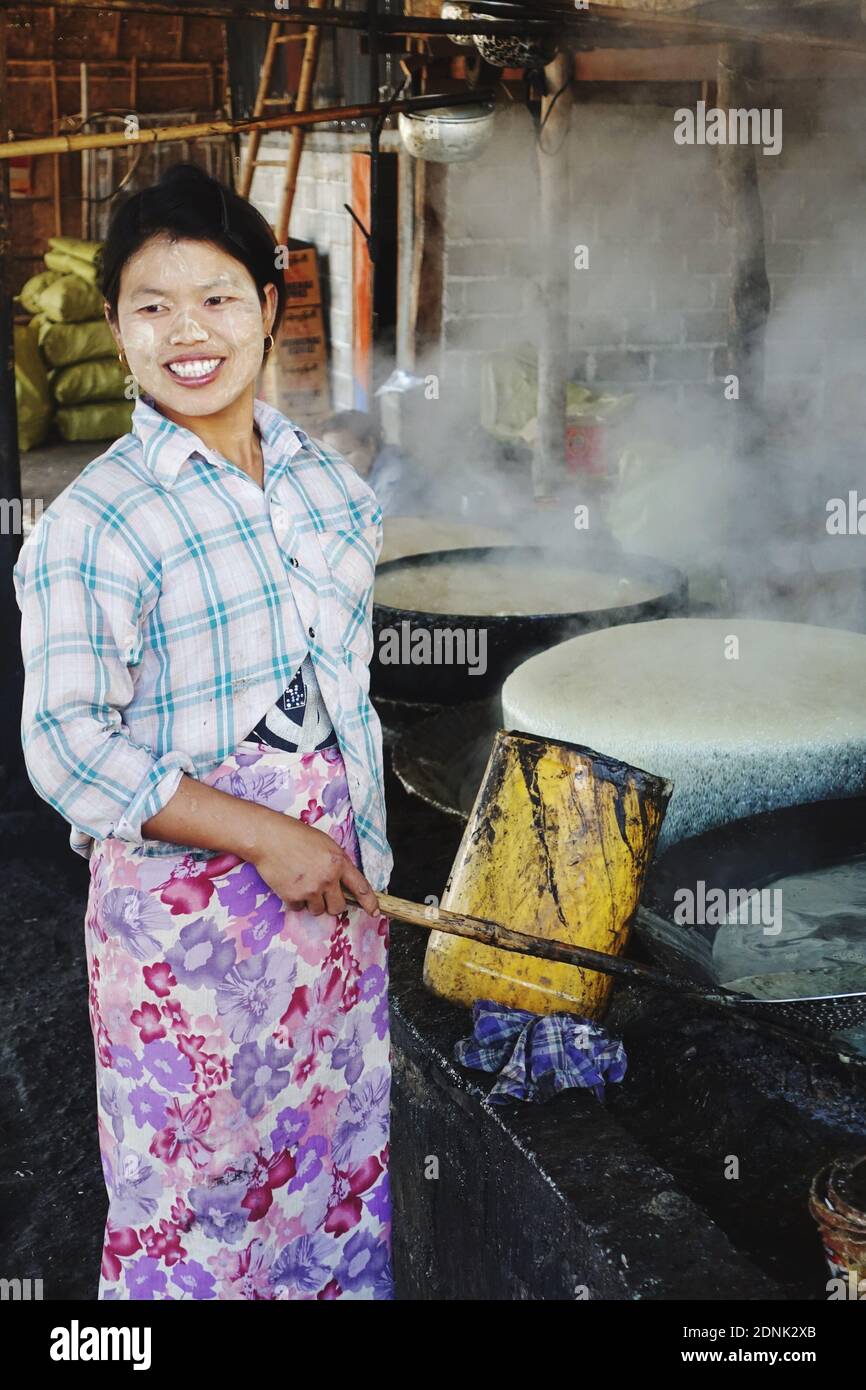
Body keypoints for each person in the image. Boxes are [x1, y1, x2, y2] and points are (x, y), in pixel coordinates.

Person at [13, 163, 394, 1301]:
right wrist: (260, 833)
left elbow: (345, 688)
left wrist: (341, 828)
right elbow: (68, 747)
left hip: (328, 904)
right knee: (200, 1192)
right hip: (185, 934)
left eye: (219, 297)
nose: (190, 331)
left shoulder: (327, 486)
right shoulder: (98, 522)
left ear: (267, 309)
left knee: (333, 1163)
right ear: (116, 328)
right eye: (152, 304)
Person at [320, 409, 422, 516]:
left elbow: (383, 526)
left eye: (346, 453)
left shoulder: (395, 477)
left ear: (370, 444)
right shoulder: (363, 469)